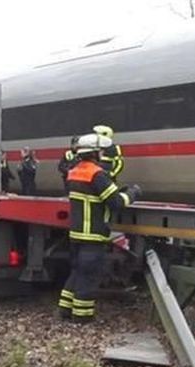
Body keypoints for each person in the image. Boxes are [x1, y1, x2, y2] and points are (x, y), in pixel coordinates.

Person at [58, 134, 138, 323]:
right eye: (101, 151)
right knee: (88, 276)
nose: (103, 154)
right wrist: (133, 193)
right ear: (95, 153)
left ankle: (65, 310)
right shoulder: (96, 174)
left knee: (77, 272)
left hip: (76, 235)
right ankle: (82, 317)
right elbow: (117, 202)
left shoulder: (74, 172)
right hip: (93, 235)